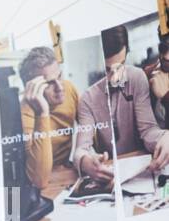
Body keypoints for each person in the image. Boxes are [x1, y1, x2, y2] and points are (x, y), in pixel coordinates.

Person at [73, 25, 169, 186]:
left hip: (143, 174)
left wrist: (165, 136)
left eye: (121, 65)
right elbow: (81, 149)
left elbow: (148, 130)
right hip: (112, 176)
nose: (115, 77)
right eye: (108, 70)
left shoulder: (137, 78)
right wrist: (84, 161)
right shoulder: (87, 99)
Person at [17, 45, 83, 189]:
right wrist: (43, 113)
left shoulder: (68, 88)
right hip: (40, 182)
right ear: (32, 88)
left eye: (59, 76)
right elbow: (38, 180)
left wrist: (87, 156)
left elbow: (90, 132)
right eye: (48, 83)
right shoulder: (25, 111)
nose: (60, 87)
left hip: (65, 172)